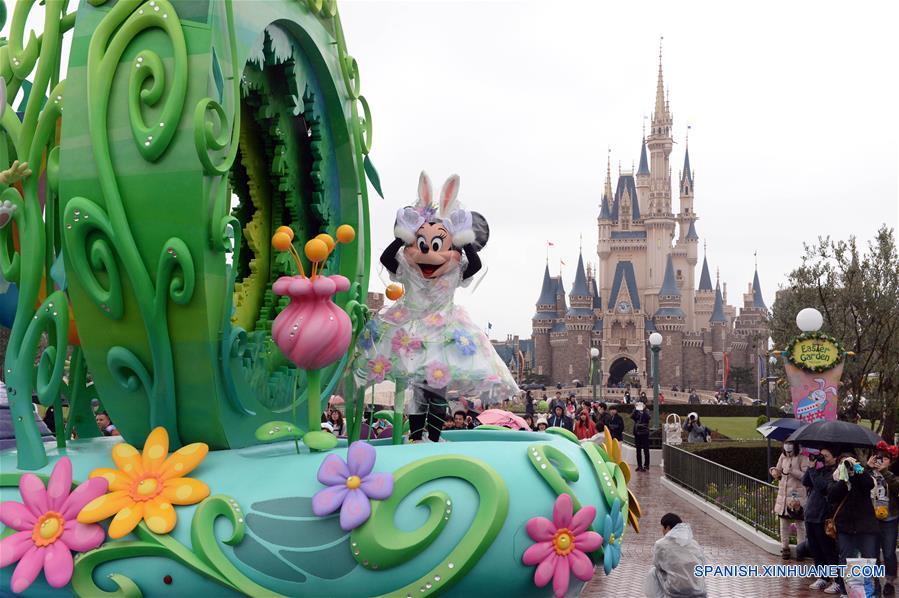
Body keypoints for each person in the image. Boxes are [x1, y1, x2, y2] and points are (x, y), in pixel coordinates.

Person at [355, 172, 519, 443]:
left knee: (436, 386)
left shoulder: (454, 268)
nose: (429, 253)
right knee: (418, 389)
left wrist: (464, 244)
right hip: (411, 328)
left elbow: (475, 266)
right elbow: (387, 259)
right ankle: (416, 436)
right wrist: (402, 237)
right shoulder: (409, 267)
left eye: (438, 245)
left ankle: (433, 436)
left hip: (444, 330)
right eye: (422, 244)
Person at [828, 450, 879, 595]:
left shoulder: (861, 475)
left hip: (866, 527)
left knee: (869, 560)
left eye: (849, 461)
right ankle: (845, 591)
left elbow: (869, 484)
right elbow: (832, 496)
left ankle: (871, 592)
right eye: (843, 462)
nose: (847, 465)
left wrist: (857, 470)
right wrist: (843, 480)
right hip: (845, 527)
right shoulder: (836, 478)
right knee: (845, 559)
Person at [802, 446, 842, 593]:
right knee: (816, 549)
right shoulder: (819, 470)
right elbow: (805, 481)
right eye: (821, 455)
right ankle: (823, 577)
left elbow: (822, 487)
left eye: (826, 456)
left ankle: (837, 580)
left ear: (835, 458)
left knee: (828, 550)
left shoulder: (835, 473)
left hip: (823, 516)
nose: (823, 458)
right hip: (811, 514)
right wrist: (811, 466)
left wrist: (814, 470)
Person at [644, 513, 708, 598]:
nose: (662, 530)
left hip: (675, 592)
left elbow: (657, 564)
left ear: (668, 527)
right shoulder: (693, 543)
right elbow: (703, 564)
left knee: (653, 572)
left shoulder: (660, 544)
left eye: (662, 527)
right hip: (698, 591)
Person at [869, 441, 899, 595]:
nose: (881, 460)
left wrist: (885, 472)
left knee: (888, 552)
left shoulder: (893, 474)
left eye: (885, 458)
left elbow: (897, 487)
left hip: (890, 518)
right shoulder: (869, 474)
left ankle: (889, 581)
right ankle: (875, 582)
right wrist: (868, 468)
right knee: (872, 552)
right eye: (879, 458)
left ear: (891, 461)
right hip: (871, 519)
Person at [770, 441, 809, 559]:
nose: (788, 446)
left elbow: (805, 476)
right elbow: (778, 469)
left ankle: (800, 550)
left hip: (797, 496)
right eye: (786, 443)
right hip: (784, 495)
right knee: (784, 524)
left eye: (790, 443)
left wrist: (792, 471)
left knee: (800, 525)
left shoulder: (802, 457)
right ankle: (785, 548)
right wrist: (774, 471)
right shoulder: (783, 456)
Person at [632, 402, 651, 472]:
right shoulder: (636, 411)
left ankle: (646, 465)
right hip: (637, 433)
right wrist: (635, 409)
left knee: (646, 450)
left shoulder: (647, 411)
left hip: (644, 433)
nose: (640, 406)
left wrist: (644, 410)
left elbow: (648, 418)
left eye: (641, 405)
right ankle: (639, 465)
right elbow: (632, 417)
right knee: (638, 451)